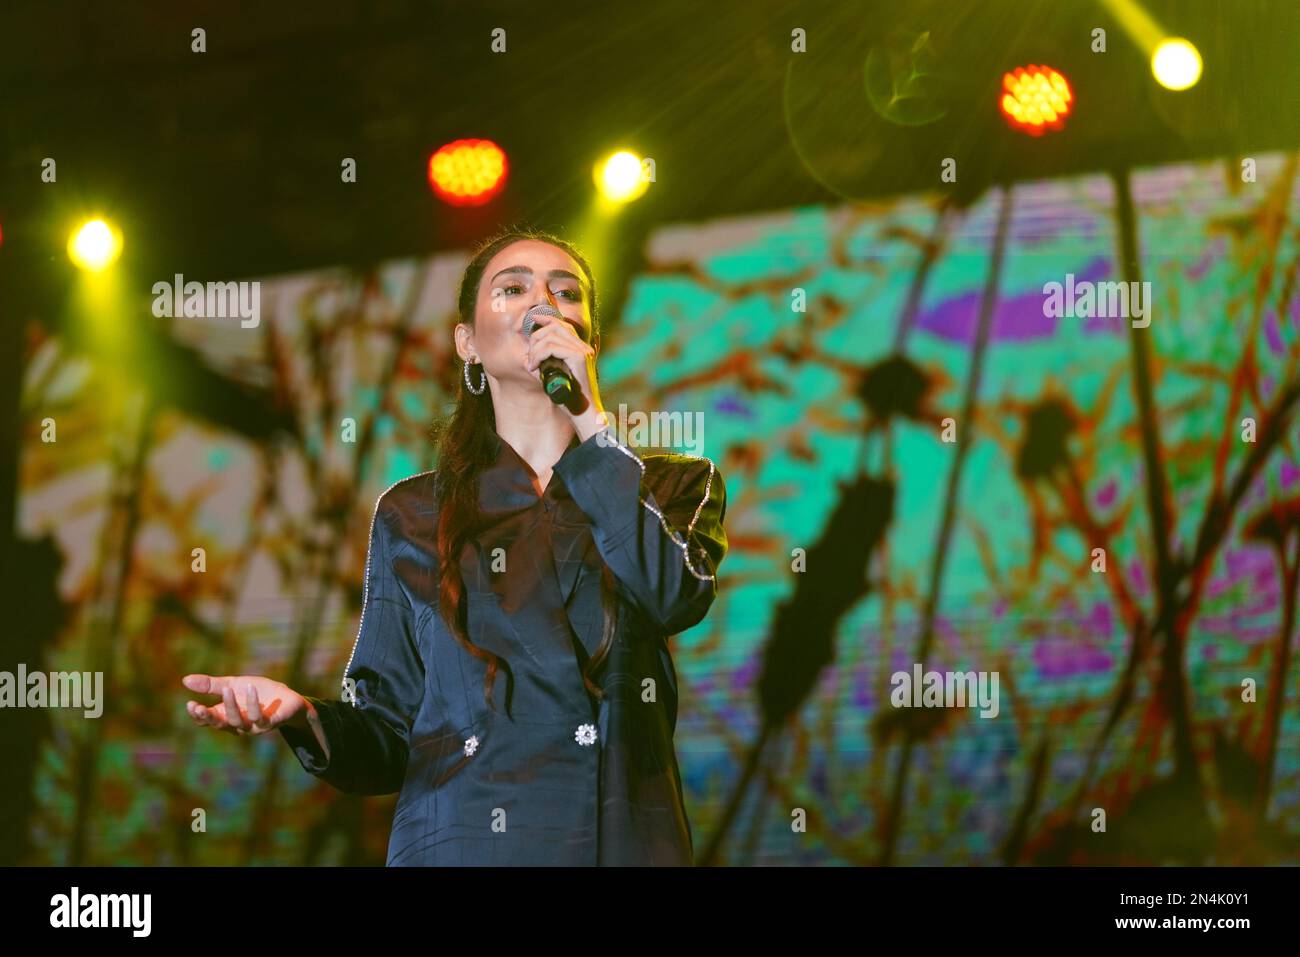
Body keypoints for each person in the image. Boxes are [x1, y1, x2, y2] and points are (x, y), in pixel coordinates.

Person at [182, 226, 729, 865]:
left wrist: (590, 424)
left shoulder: (669, 484)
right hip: (464, 838)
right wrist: (302, 715)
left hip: (617, 839)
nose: (542, 305)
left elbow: (673, 597)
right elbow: (391, 730)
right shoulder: (414, 513)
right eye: (513, 288)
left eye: (566, 292)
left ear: (590, 339)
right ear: (467, 343)